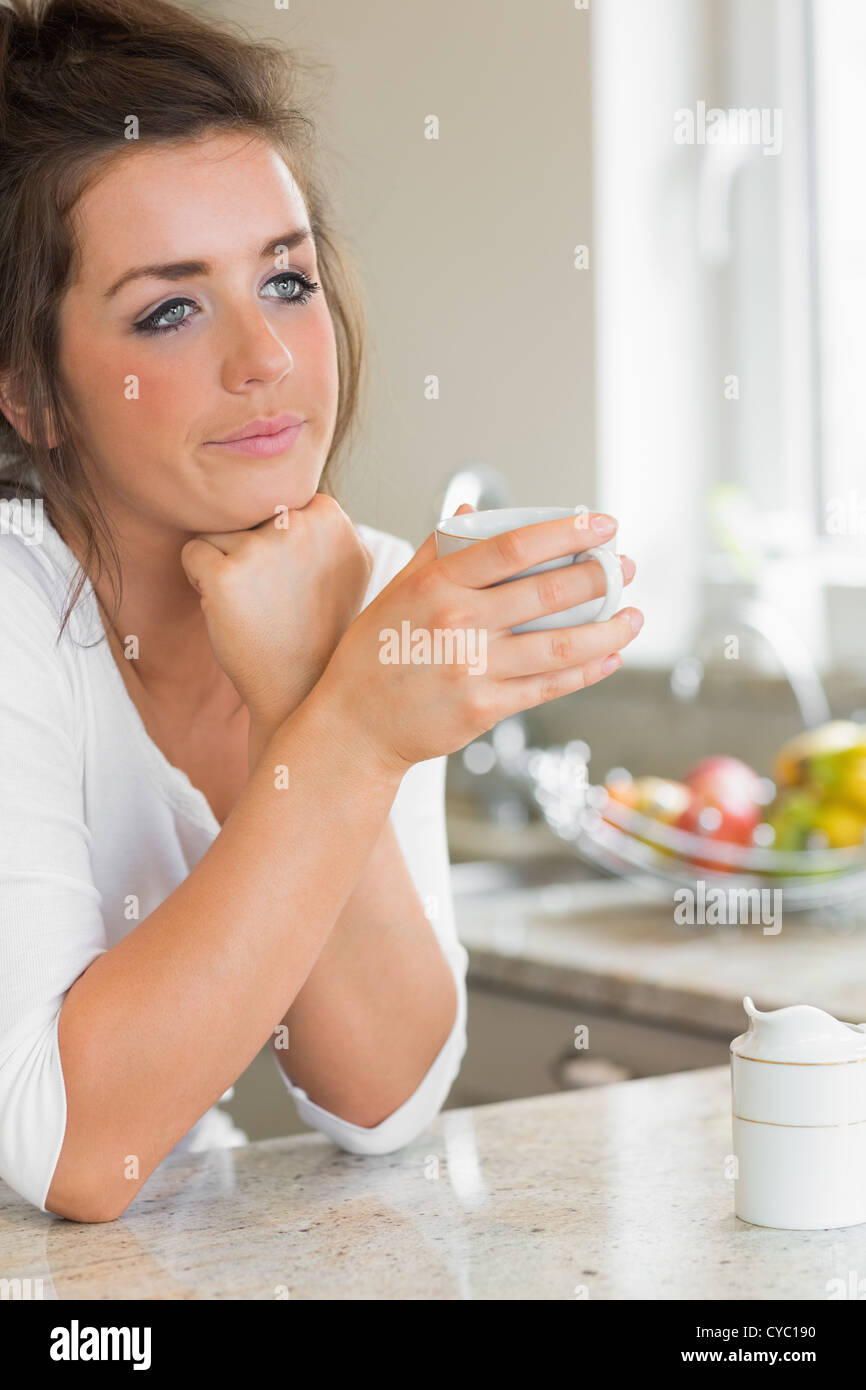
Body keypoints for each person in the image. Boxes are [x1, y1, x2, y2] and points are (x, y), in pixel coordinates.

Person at [0, 0, 642, 1223]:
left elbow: (382, 1098)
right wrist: (344, 730)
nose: (269, 359)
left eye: (285, 279)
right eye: (170, 310)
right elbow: (75, 1149)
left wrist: (308, 690)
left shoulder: (362, 588)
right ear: (32, 394)